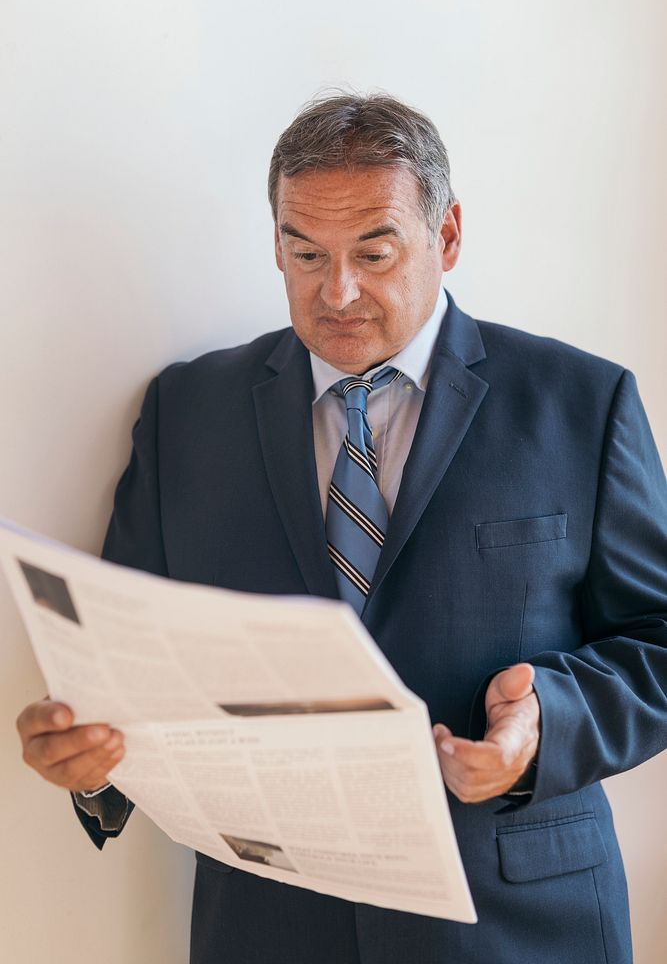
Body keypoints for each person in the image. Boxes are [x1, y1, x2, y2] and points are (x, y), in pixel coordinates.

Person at [16, 92, 667, 964]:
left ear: (447, 236)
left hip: (517, 929)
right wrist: (94, 766)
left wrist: (543, 724)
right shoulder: (186, 412)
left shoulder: (583, 403)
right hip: (267, 928)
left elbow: (655, 644)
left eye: (373, 250)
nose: (338, 291)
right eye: (303, 252)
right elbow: (120, 659)